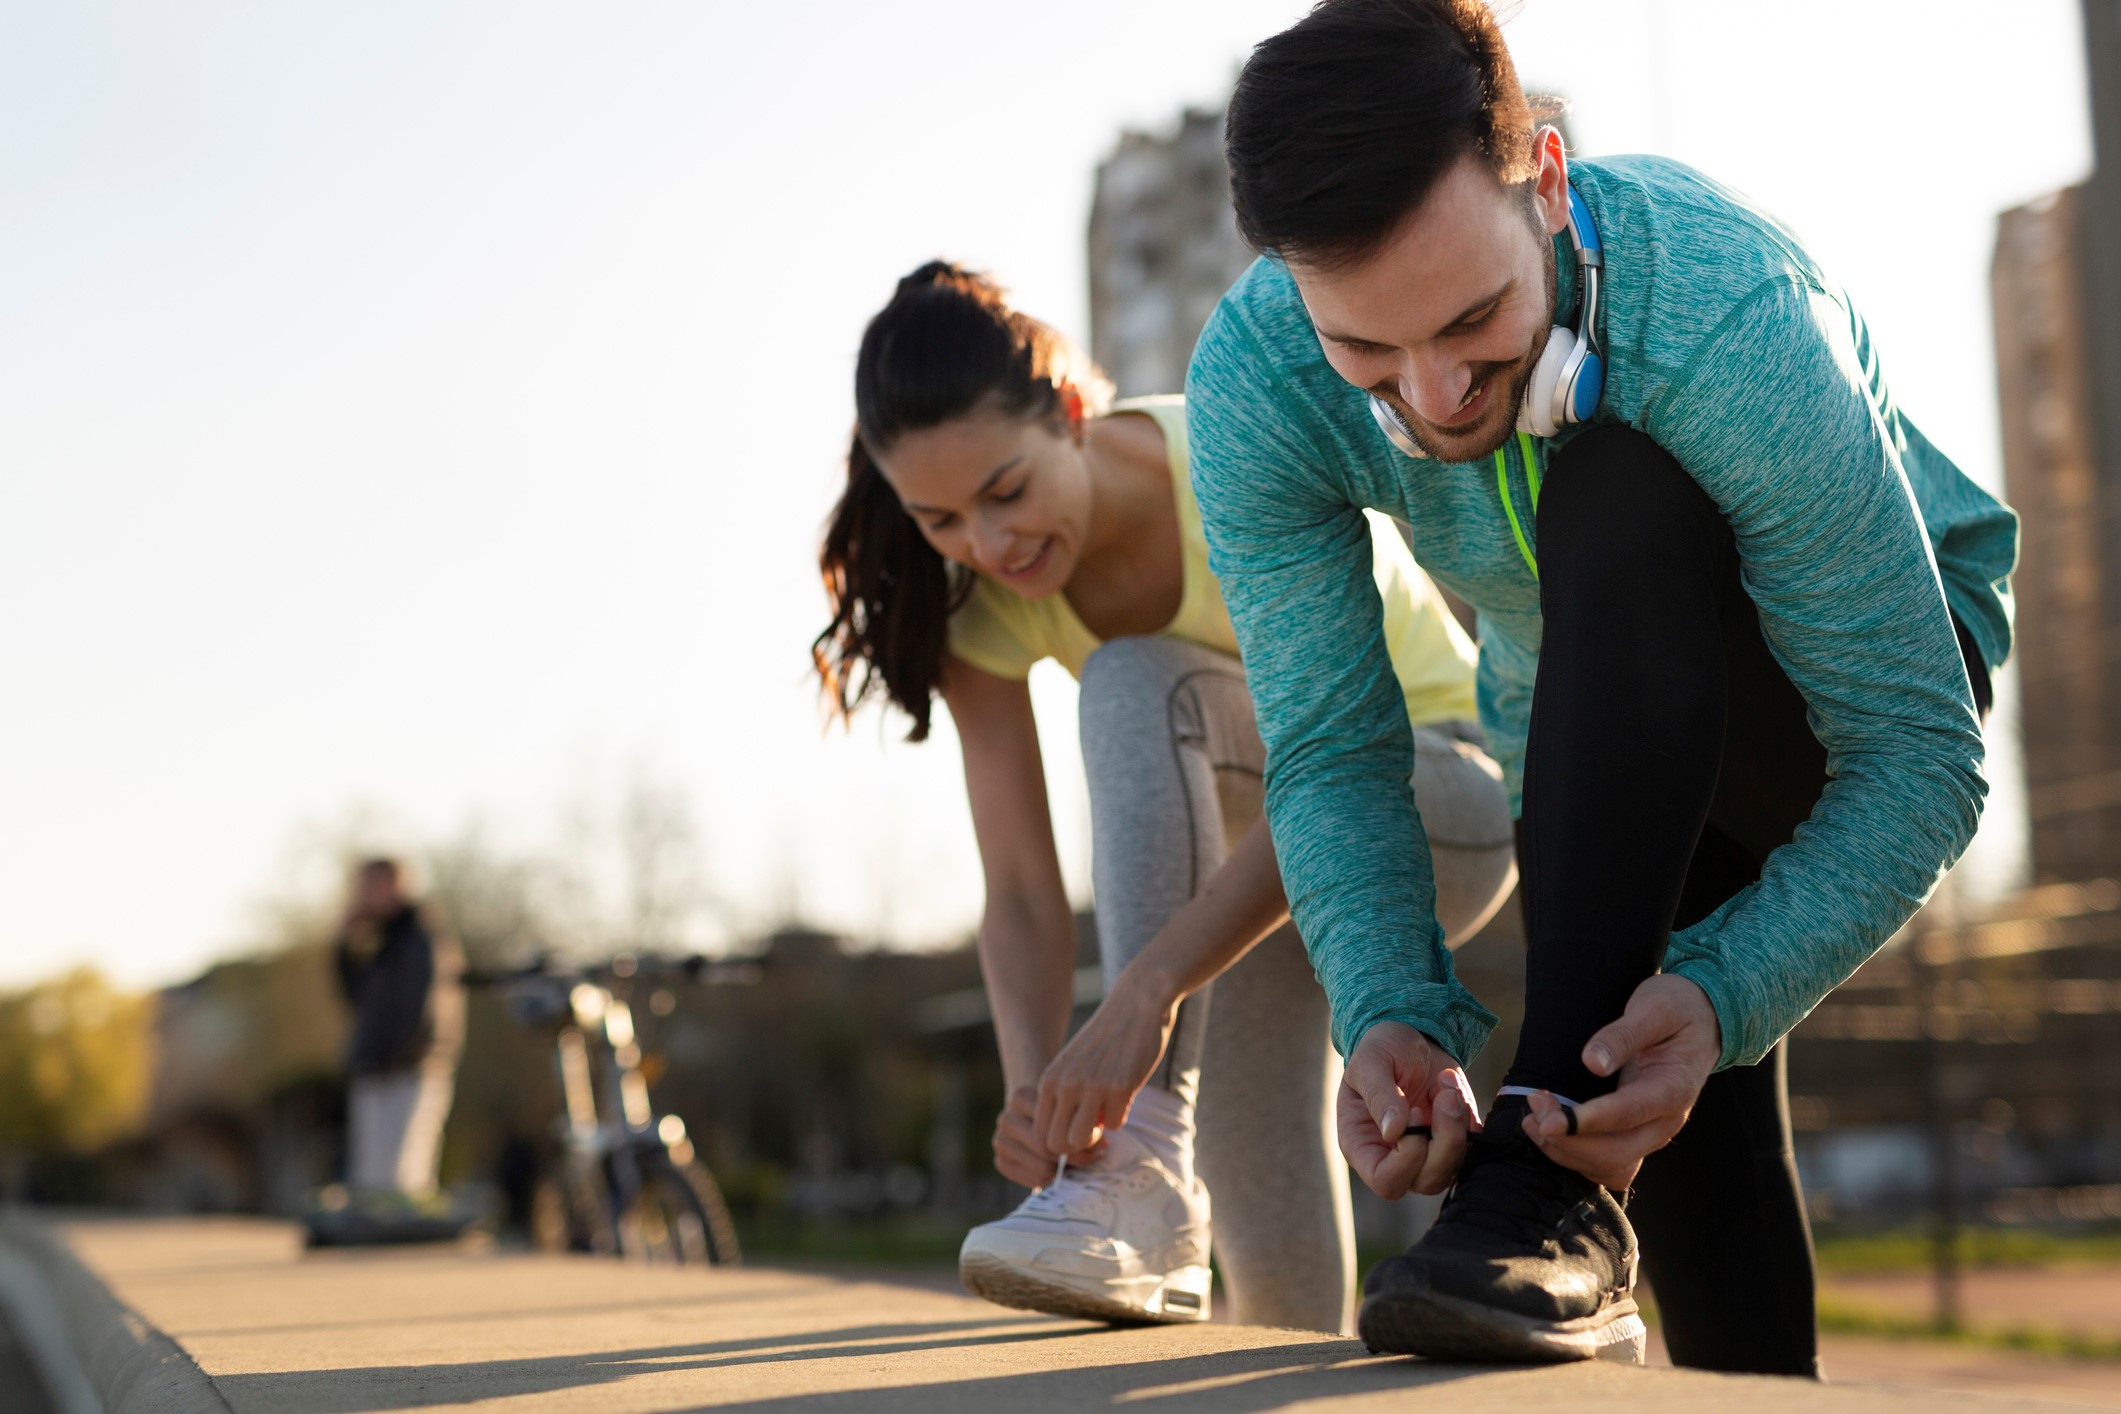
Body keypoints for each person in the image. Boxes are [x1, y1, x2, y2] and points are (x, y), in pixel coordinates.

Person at [1185, 0, 2015, 1373]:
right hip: (1588, 716)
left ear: (1549, 183)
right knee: (1664, 1115)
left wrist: (1732, 986)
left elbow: (1918, 753)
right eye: (1368, 353)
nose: (1436, 395)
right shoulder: (1258, 384)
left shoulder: (1721, 312)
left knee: (1615, 483)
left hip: (1862, 690)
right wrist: (1387, 1001)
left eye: (1472, 320)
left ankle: (1528, 1176)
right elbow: (1332, 750)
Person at [813, 262, 1517, 1333]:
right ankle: (1149, 1193)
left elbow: (1334, 764)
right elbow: (1018, 886)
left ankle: (1143, 1148)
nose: (989, 546)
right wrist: (1039, 1097)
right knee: (1270, 1271)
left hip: (1428, 802)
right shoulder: (979, 606)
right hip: (1244, 880)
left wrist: (1144, 995)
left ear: (1070, 411)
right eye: (940, 519)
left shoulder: (1227, 461)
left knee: (1132, 677)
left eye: (1006, 491)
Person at [334, 857, 464, 1202]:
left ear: (395, 885)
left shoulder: (420, 937)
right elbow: (355, 998)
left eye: (371, 886)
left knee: (401, 1177)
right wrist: (345, 947)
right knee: (371, 1180)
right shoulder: (381, 941)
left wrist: (400, 1056)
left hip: (410, 1068)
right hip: (376, 1067)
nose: (363, 895)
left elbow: (426, 1008)